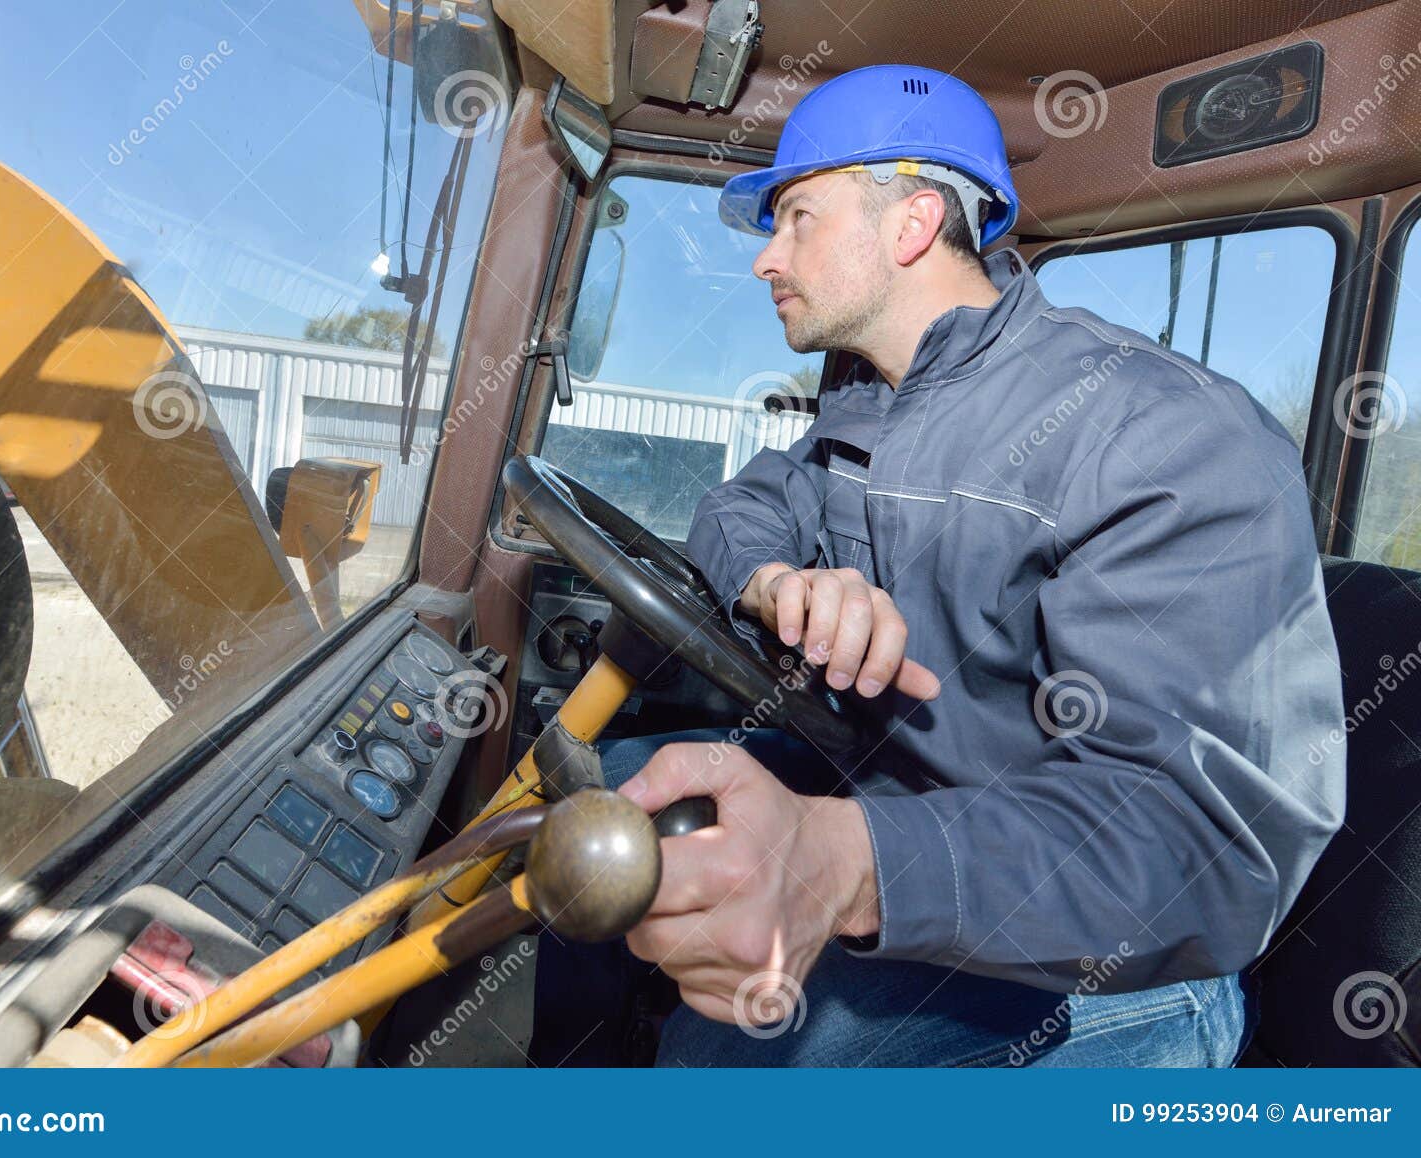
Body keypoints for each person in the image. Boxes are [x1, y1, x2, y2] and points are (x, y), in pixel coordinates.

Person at [531, 63, 1345, 1067]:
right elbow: (743, 507)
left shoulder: (1167, 435)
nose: (765, 259)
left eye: (797, 218)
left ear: (912, 223)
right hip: (901, 801)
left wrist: (843, 862)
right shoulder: (874, 405)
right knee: (607, 806)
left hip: (1118, 953)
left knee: (728, 1060)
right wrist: (776, 583)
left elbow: (1198, 847)